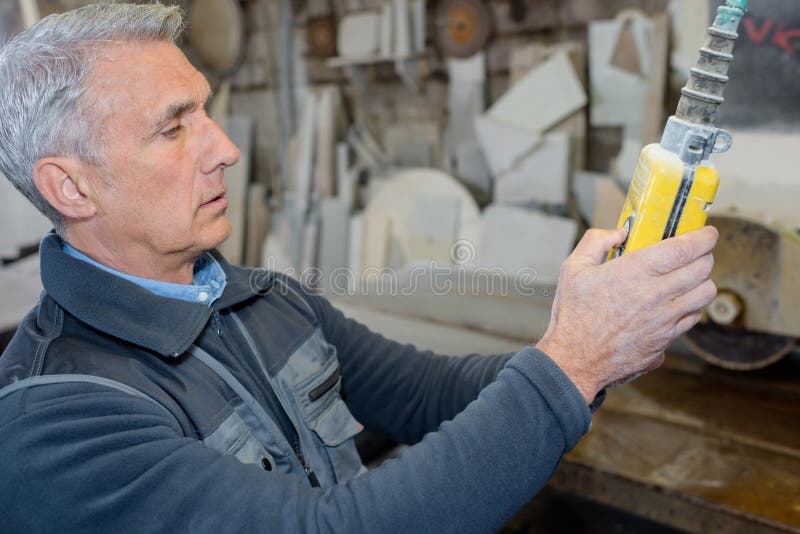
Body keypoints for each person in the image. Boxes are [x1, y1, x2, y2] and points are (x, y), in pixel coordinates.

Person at [0, 4, 718, 533]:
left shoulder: (263, 301)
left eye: (208, 114)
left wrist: (595, 345)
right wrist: (574, 362)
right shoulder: (57, 417)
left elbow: (430, 393)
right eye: (174, 126)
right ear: (71, 187)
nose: (224, 148)